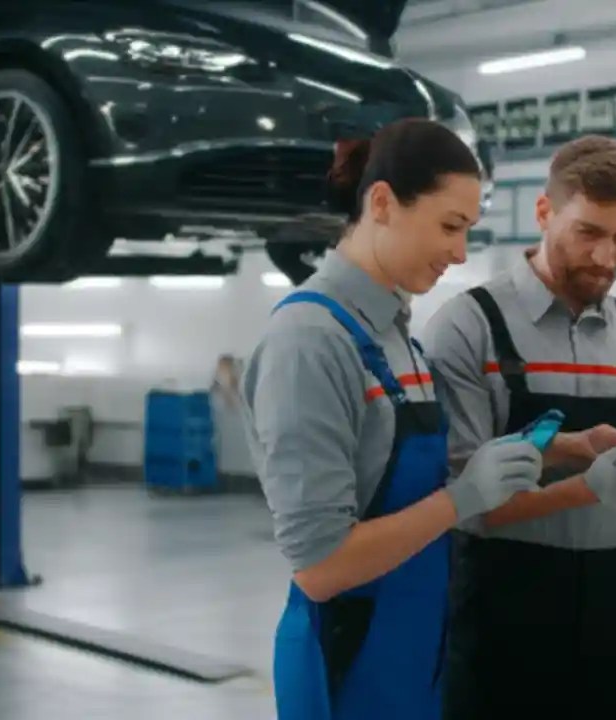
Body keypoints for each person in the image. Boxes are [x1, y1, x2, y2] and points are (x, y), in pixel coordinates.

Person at [240, 119, 548, 720]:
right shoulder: (310, 340)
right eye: (450, 226)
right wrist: (463, 499)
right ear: (382, 203)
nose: (461, 252)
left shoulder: (396, 336)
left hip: (411, 659)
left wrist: (558, 451)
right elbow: (323, 566)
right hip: (347, 667)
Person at [423, 135, 616, 719]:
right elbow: (458, 499)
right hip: (502, 618)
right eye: (588, 233)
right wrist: (588, 487)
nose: (606, 257)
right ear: (544, 212)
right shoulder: (468, 329)